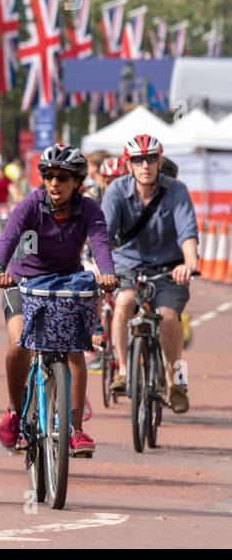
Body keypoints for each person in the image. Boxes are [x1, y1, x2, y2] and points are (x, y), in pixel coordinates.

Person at [0, 145, 117, 456]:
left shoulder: (89, 209)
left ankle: (75, 430)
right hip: (23, 283)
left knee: (75, 350)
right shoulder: (30, 205)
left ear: (78, 182)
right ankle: (14, 412)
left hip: (65, 283)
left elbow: (100, 242)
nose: (54, 183)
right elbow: (8, 237)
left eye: (62, 177)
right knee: (19, 342)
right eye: (48, 176)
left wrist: (107, 273)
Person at [101, 134, 199, 413]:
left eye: (151, 159)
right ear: (129, 164)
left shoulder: (177, 190)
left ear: (159, 161)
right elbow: (104, 235)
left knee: (169, 319)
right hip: (127, 264)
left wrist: (189, 264)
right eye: (138, 160)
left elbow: (187, 232)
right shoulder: (116, 191)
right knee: (123, 302)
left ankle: (176, 382)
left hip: (169, 267)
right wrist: (101, 266)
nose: (145, 165)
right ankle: (122, 370)